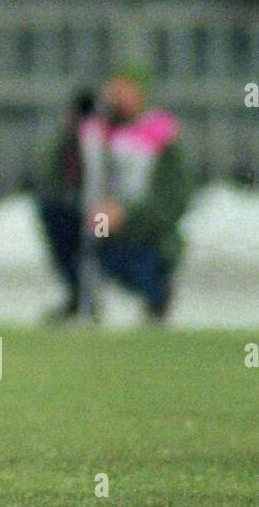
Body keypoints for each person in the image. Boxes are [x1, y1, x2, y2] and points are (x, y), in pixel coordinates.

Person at [40, 67, 193, 323]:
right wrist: (71, 129)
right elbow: (56, 179)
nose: (119, 96)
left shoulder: (160, 135)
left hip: (141, 232)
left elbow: (174, 200)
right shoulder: (92, 131)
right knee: (56, 213)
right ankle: (80, 297)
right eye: (115, 87)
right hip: (93, 224)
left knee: (140, 266)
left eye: (127, 88)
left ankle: (156, 296)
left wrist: (125, 216)